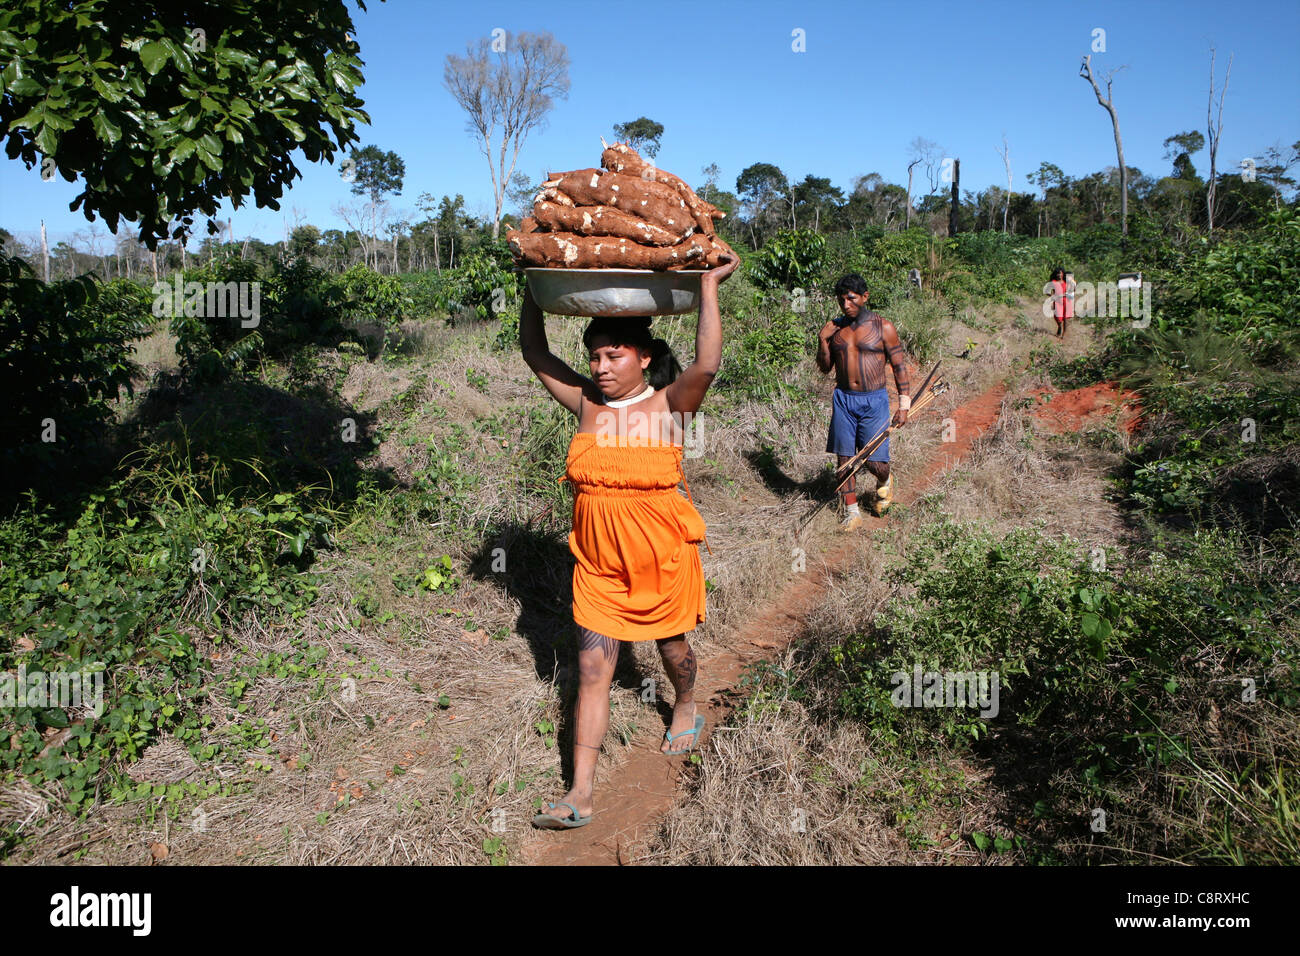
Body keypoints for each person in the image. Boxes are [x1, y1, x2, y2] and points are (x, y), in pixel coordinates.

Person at [520, 254, 739, 828]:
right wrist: (531, 289)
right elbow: (537, 355)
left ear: (644, 357)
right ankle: (581, 793)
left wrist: (708, 288)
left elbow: (707, 361)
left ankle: (686, 702)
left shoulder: (669, 406)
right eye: (594, 355)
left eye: (613, 354)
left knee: (672, 651)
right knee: (593, 669)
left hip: (660, 561)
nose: (600, 366)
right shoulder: (588, 408)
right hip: (596, 567)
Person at [816, 274, 911, 529]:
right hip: (844, 399)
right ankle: (852, 512)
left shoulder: (884, 328)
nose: (845, 304)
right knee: (844, 460)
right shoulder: (835, 329)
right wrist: (822, 340)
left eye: (851, 298)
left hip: (874, 400)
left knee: (874, 462)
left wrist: (904, 406)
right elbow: (825, 368)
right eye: (841, 299)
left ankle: (885, 480)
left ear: (865, 297)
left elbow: (900, 367)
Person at [1050, 266, 1074, 337]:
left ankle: (1064, 333)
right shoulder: (1053, 282)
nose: (1059, 275)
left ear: (1063, 274)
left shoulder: (1066, 282)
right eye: (1057, 273)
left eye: (1060, 273)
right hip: (1057, 302)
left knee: (1065, 318)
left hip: (1066, 301)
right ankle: (1060, 327)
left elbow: (1071, 291)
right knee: (1058, 318)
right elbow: (1049, 291)